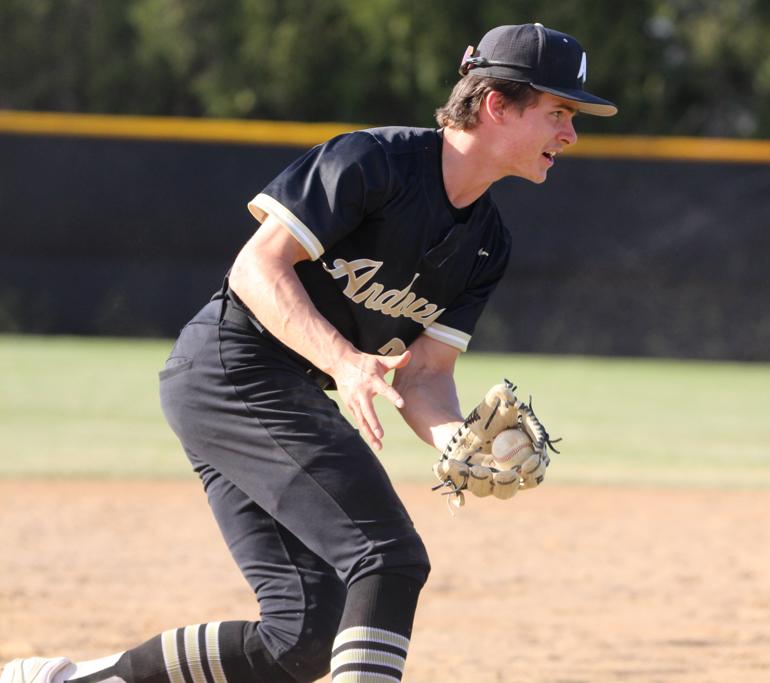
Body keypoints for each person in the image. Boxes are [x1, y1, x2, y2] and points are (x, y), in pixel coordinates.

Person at [1, 23, 616, 683]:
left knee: (301, 636)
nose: (570, 134)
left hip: (267, 388)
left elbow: (427, 374)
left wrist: (456, 445)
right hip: (231, 367)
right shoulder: (374, 162)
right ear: (497, 104)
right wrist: (346, 360)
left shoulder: (488, 243)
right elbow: (256, 268)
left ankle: (71, 682)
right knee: (388, 557)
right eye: (558, 111)